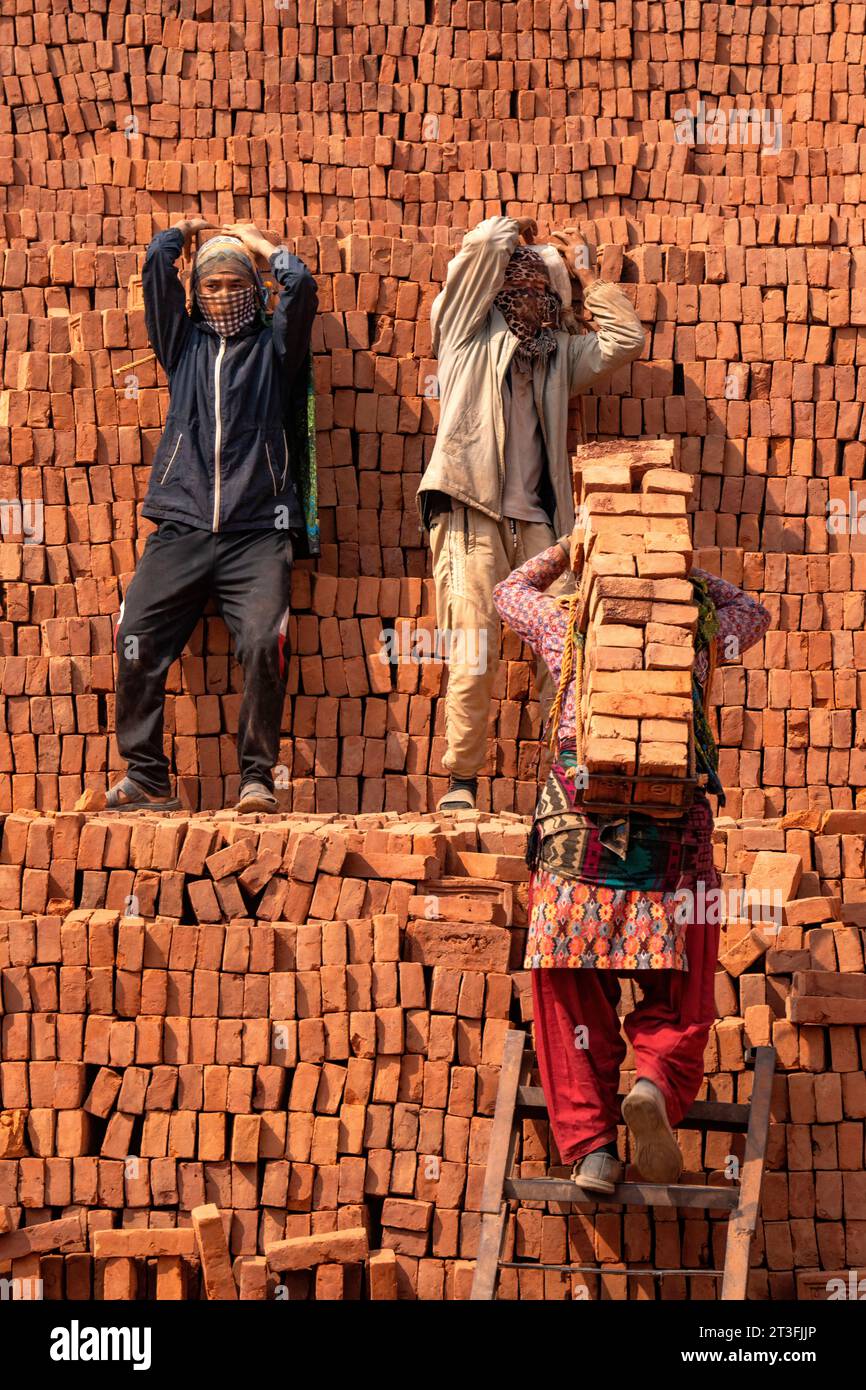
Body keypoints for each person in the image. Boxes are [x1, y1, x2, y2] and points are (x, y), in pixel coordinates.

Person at [493, 538, 771, 1193]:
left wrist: (569, 550)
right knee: (684, 992)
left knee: (569, 1001)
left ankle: (592, 1149)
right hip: (672, 849)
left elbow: (508, 593)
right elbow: (753, 611)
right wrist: (680, 566)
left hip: (576, 848)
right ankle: (652, 1083)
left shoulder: (566, 627)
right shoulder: (694, 635)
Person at [416, 215, 646, 812]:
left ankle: (569, 774)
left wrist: (589, 277)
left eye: (542, 290)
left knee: (565, 646)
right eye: (517, 288)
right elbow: (478, 253)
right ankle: (462, 782)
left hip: (538, 521)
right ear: (495, 292)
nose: (530, 299)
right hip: (471, 509)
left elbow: (625, 340)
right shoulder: (465, 333)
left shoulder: (555, 360)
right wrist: (513, 230)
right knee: (473, 646)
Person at [106, 218, 318, 813]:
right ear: (197, 295)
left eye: (235, 284)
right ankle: (146, 773)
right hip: (182, 524)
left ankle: (256, 777)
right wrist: (186, 231)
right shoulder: (184, 346)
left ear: (253, 286)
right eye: (212, 287)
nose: (224, 296)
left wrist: (257, 245)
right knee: (134, 637)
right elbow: (155, 267)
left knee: (261, 643)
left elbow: (299, 287)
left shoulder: (276, 351)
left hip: (257, 534)